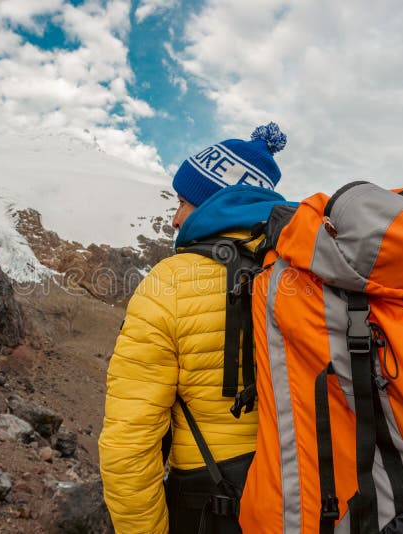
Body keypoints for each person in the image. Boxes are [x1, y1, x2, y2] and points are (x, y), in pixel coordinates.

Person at [99, 123, 295, 534]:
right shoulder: (301, 271)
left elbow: (130, 448)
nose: (174, 219)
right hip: (303, 497)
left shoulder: (169, 283)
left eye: (183, 202)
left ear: (212, 204)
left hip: (212, 506)